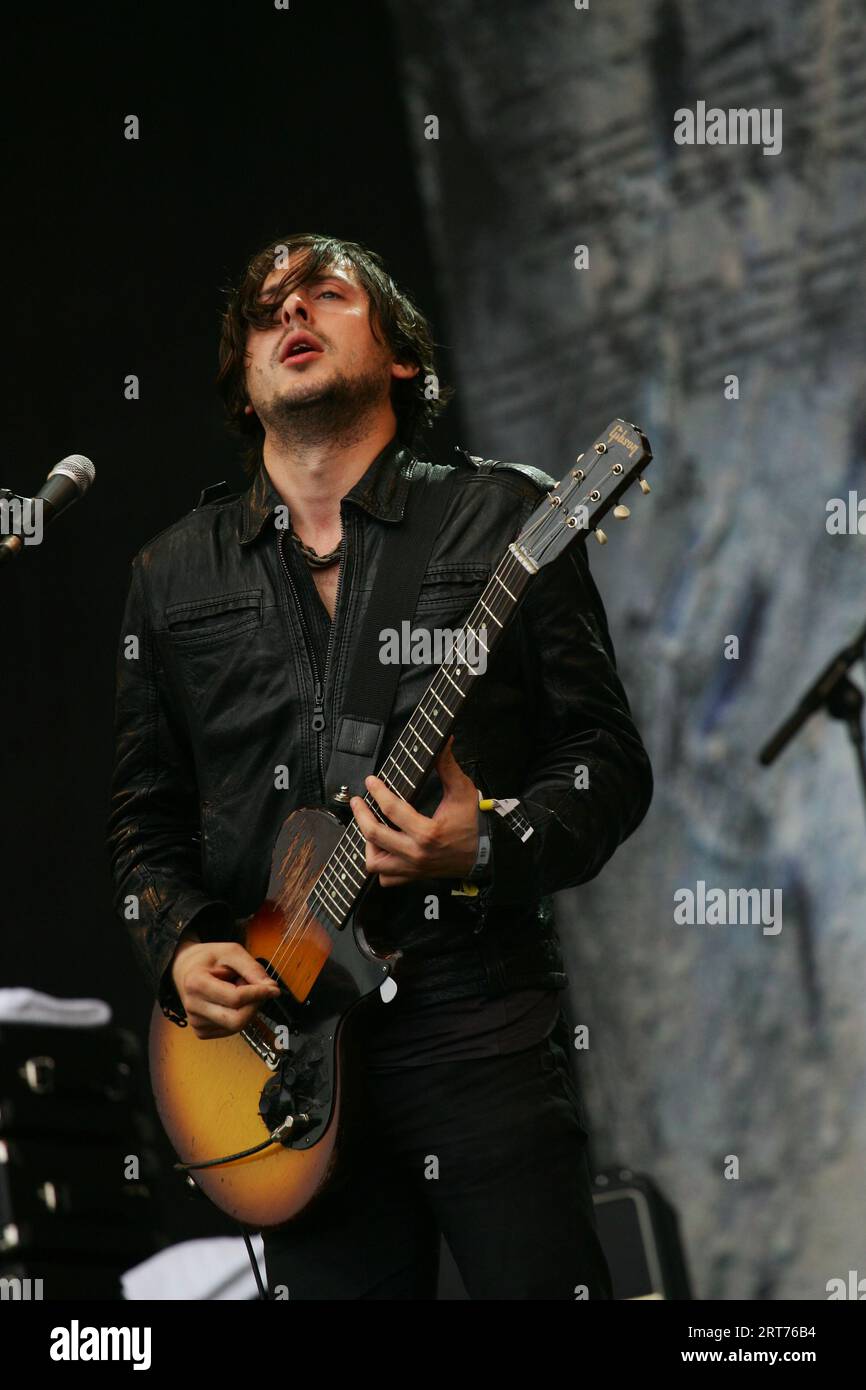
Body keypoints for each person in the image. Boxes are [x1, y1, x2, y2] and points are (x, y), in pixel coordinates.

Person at [107, 231, 653, 1299]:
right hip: (286, 1055)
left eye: (324, 293)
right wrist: (174, 946)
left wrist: (486, 840)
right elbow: (143, 822)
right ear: (243, 383)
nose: (290, 316)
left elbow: (604, 761)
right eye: (264, 311)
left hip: (477, 1025)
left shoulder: (502, 517)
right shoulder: (169, 577)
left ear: (402, 354)